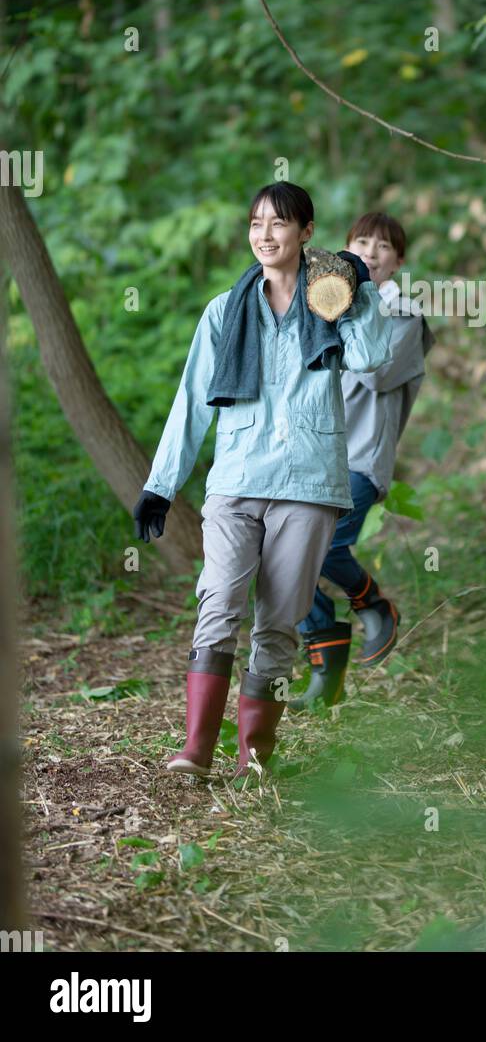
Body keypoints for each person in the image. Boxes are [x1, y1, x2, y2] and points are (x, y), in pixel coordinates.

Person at [132, 182, 392, 779]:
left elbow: (371, 356)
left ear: (306, 232)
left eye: (278, 224)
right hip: (236, 481)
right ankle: (196, 750)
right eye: (255, 224)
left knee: (277, 622)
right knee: (219, 603)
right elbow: (192, 401)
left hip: (307, 486)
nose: (265, 235)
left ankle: (257, 754)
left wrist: (357, 291)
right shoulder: (226, 310)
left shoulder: (330, 300)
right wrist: (160, 485)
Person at [289, 211, 435, 709]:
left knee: (323, 544)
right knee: (280, 553)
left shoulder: (405, 316)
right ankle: (325, 669)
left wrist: (353, 306)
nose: (371, 252)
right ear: (348, 247)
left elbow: (372, 371)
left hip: (360, 460)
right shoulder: (326, 304)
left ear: (398, 262)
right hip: (312, 455)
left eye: (384, 246)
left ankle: (374, 605)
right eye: (362, 241)